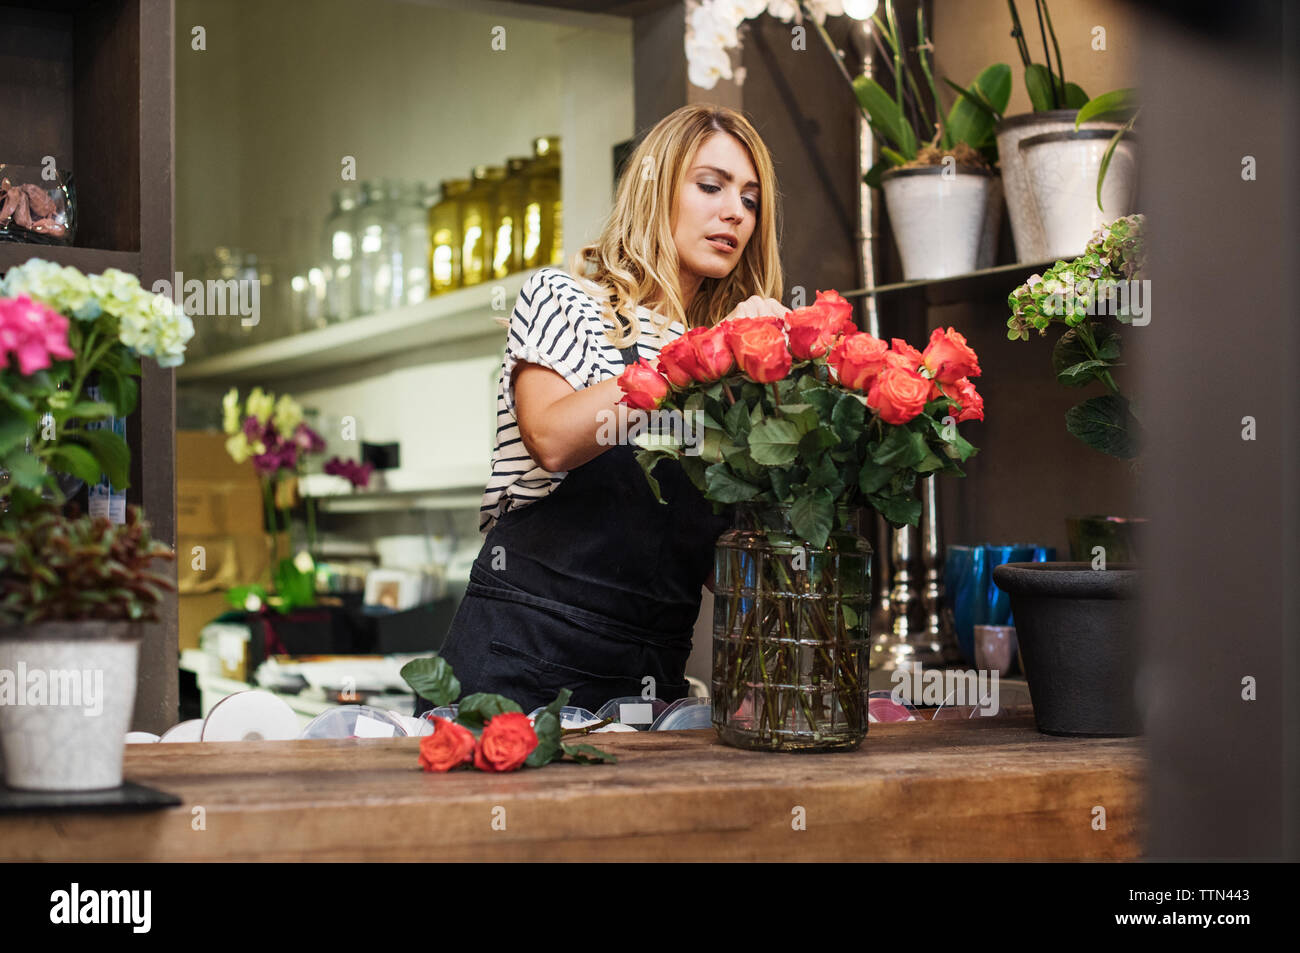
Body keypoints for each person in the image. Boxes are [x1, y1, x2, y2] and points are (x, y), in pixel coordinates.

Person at [417, 104, 788, 717]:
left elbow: (718, 562)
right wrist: (698, 353)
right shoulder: (566, 301)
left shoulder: (733, 366)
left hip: (651, 680)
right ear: (655, 187)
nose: (734, 213)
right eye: (710, 186)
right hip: (520, 656)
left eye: (750, 199)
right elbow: (552, 438)